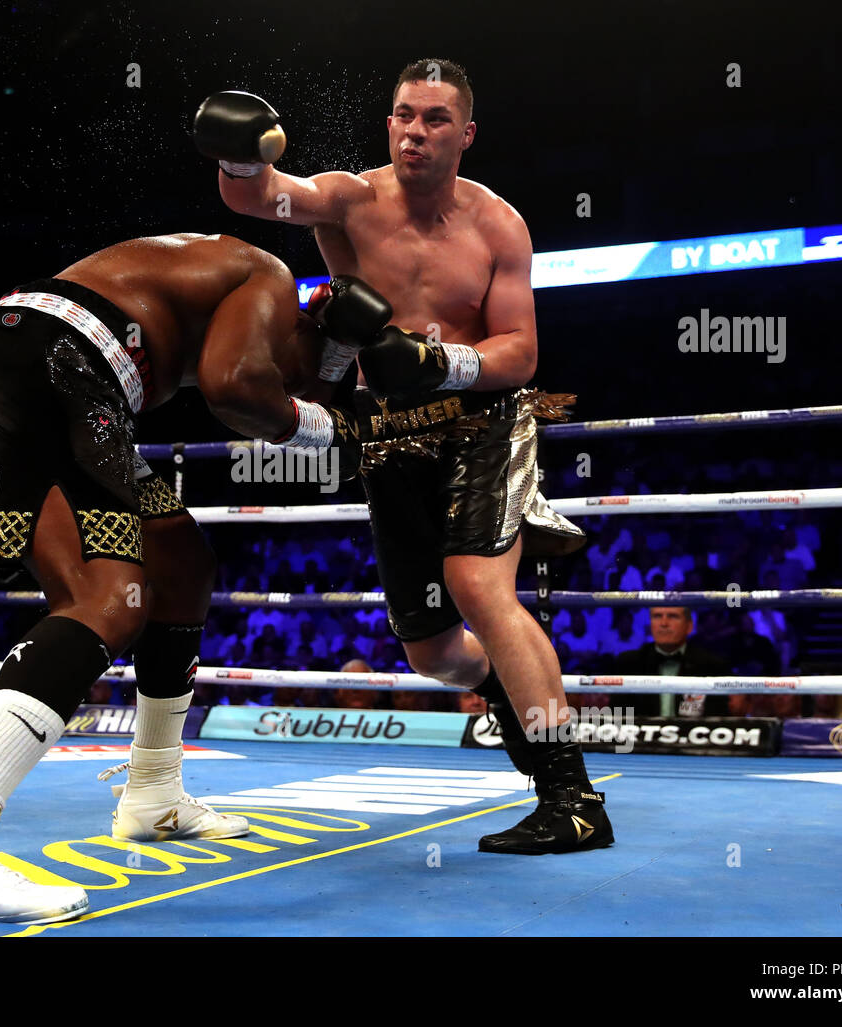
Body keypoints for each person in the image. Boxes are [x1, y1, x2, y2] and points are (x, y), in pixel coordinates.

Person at [0, 233, 392, 925]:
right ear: (302, 327)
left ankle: (153, 791)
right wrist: (332, 430)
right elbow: (238, 387)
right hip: (52, 364)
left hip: (35, 366)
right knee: (106, 598)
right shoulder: (266, 277)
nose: (290, 391)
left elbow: (268, 393)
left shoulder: (209, 286)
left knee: (179, 560)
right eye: (298, 373)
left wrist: (321, 400)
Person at [199, 59, 607, 855]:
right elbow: (261, 196)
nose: (415, 132)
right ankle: (514, 696)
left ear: (466, 134)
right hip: (387, 432)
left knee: (478, 586)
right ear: (389, 123)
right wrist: (240, 154)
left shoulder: (500, 226)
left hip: (484, 418)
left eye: (434, 119)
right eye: (403, 116)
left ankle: (572, 792)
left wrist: (439, 363)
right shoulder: (349, 199)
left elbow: (520, 352)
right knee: (434, 651)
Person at [613, 607, 729, 717]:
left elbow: (718, 717)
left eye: (673, 616)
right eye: (657, 616)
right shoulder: (628, 663)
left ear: (689, 626)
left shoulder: (711, 665)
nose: (664, 623)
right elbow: (619, 716)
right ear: (651, 625)